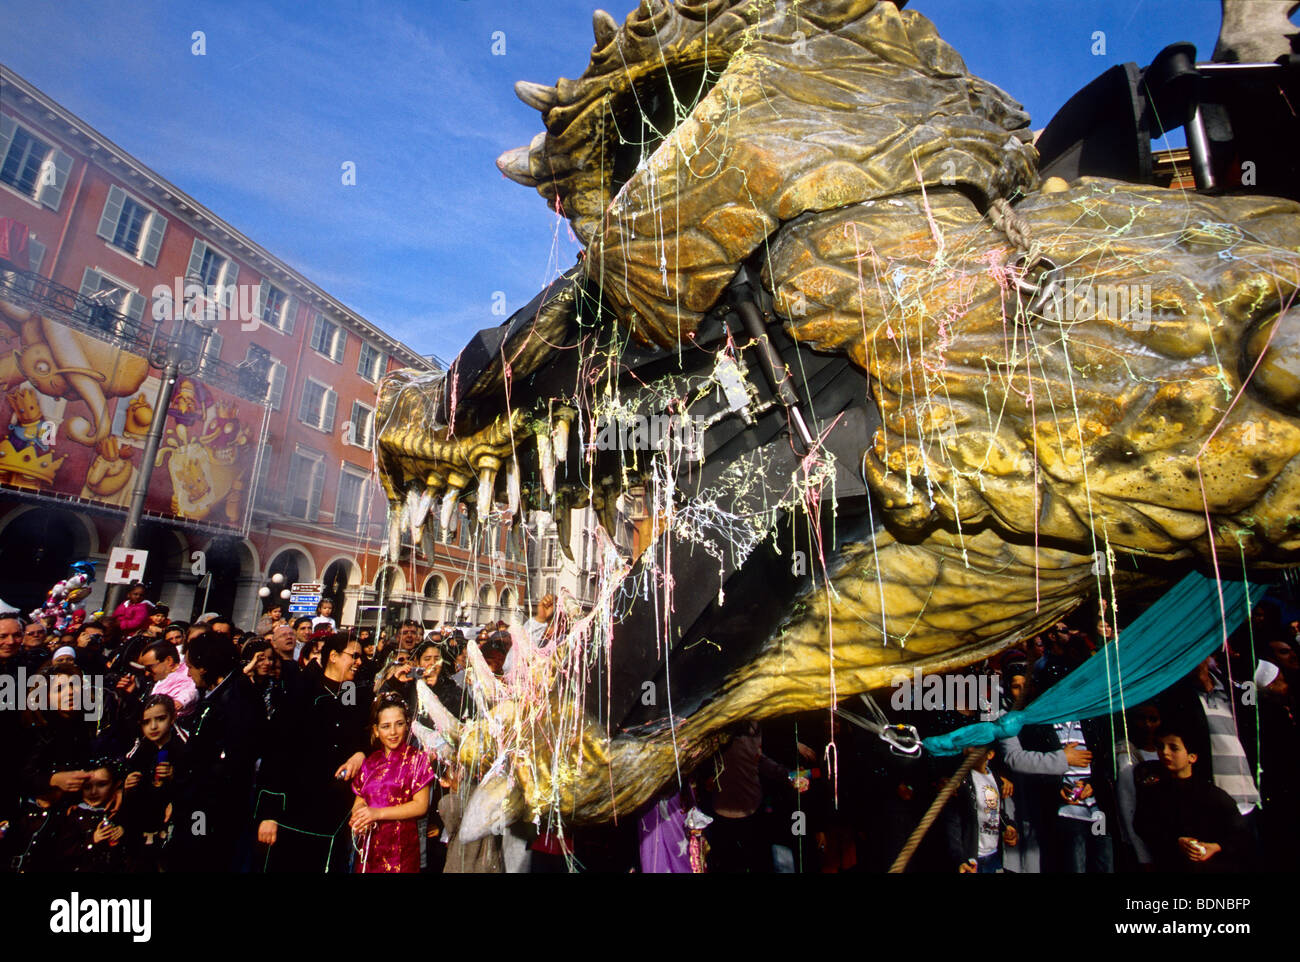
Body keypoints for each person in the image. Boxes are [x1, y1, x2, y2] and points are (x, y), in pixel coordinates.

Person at [256, 633, 369, 872]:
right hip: (296, 810)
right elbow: (277, 754)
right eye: (354, 656)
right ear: (334, 656)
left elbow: (361, 734)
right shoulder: (302, 691)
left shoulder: (352, 693)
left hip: (336, 811)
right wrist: (269, 814)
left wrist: (360, 753)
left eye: (362, 657)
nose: (359, 662)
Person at [166, 632, 265, 872]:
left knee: (202, 857)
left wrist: (191, 794)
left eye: (191, 667)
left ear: (206, 666)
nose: (188, 673)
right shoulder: (218, 694)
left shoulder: (237, 699)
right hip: (199, 803)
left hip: (211, 809)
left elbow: (228, 762)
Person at [1134, 725, 1251, 872]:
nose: (1164, 752)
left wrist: (1216, 847)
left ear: (1192, 757)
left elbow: (1241, 833)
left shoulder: (1213, 795)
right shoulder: (1153, 792)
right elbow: (1143, 825)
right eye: (1161, 746)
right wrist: (1176, 841)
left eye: (1174, 748)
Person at [349, 695, 435, 873]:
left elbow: (420, 806)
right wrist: (359, 819)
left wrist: (376, 813)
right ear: (376, 730)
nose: (393, 732)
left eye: (399, 724)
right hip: (369, 851)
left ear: (408, 725)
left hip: (401, 851)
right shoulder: (370, 762)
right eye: (386, 726)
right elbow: (358, 803)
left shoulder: (417, 759)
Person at [121, 694, 185, 870]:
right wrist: (126, 786)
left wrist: (176, 777)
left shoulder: (185, 746)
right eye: (146, 722)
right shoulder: (139, 750)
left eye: (161, 719)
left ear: (172, 718)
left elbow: (199, 783)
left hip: (175, 825)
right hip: (145, 825)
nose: (153, 727)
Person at [139, 639, 198, 718]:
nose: (147, 673)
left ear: (169, 661)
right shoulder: (154, 682)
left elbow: (192, 690)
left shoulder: (187, 674)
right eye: (145, 669)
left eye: (150, 667)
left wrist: (181, 701)